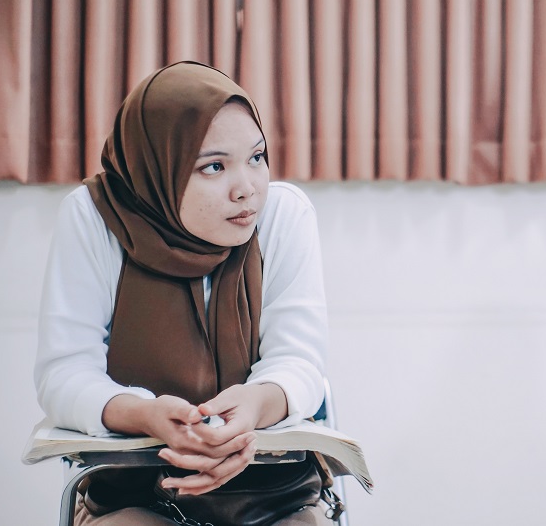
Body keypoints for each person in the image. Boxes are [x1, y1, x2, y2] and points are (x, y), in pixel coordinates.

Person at [34, 62, 331, 525]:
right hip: (133, 493)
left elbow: (300, 362)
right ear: (158, 169)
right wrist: (145, 415)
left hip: (274, 497)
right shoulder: (94, 219)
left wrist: (253, 407)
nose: (247, 189)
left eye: (256, 158)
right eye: (214, 166)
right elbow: (64, 373)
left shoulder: (284, 216)